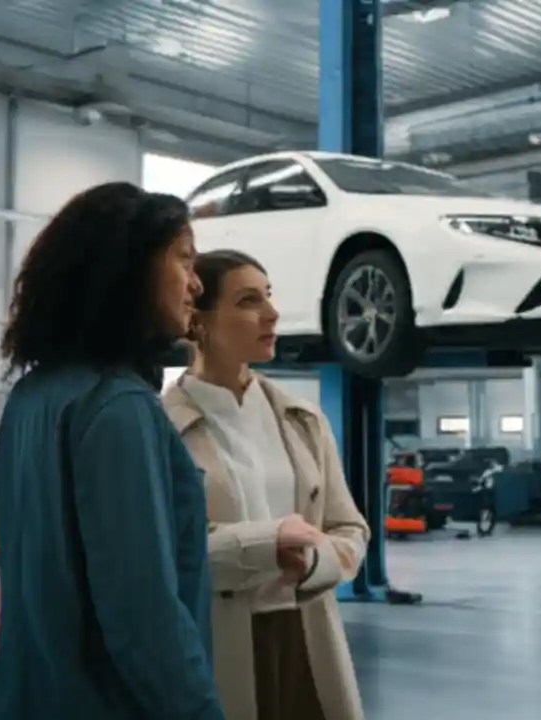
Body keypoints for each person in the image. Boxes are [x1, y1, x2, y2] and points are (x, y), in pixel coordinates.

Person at [0, 183, 223, 720]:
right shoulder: (118, 407)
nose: (196, 283)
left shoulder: (33, 396)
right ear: (130, 268)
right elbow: (143, 616)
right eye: (184, 260)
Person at [161, 249, 370, 720]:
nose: (272, 314)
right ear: (198, 321)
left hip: (308, 636)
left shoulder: (302, 420)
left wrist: (315, 562)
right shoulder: (160, 428)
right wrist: (263, 545)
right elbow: (164, 553)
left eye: (269, 297)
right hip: (217, 640)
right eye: (249, 300)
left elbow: (350, 529)